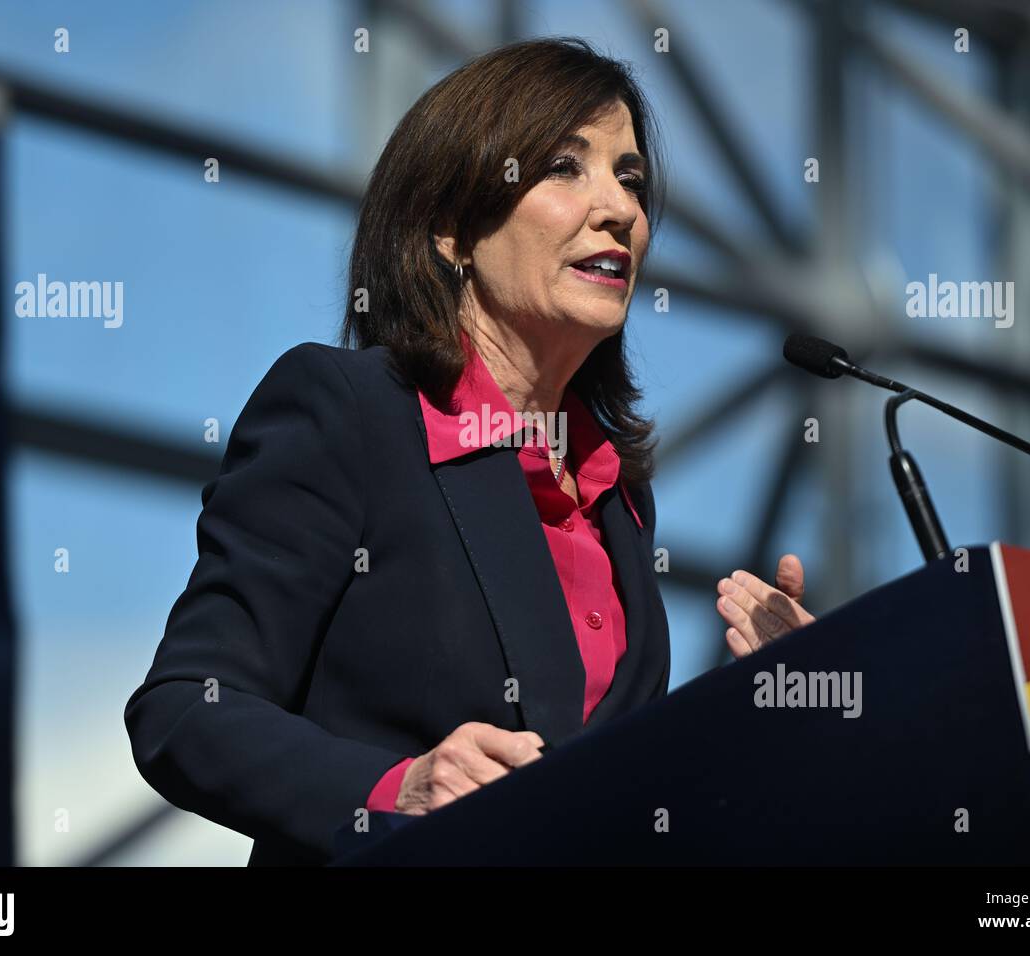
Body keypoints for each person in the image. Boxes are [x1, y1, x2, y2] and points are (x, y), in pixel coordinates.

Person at [124, 36, 815, 867]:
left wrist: (765, 708)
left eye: (630, 178)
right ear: (452, 228)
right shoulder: (352, 413)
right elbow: (186, 710)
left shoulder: (618, 501)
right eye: (565, 168)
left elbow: (618, 802)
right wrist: (395, 789)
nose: (621, 209)